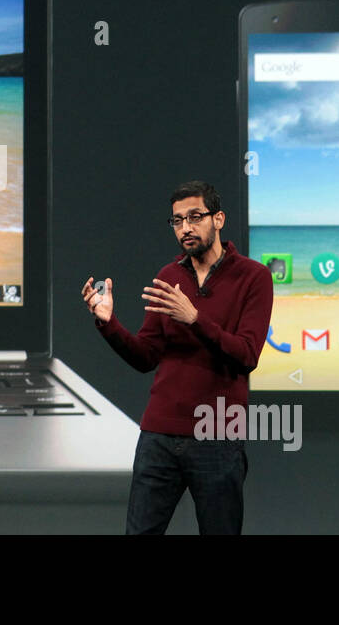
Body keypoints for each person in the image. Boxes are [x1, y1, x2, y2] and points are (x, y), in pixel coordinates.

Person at [81, 180, 273, 534]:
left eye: (194, 217)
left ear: (218, 219)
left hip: (217, 433)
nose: (185, 228)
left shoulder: (254, 277)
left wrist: (196, 319)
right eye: (177, 221)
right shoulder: (168, 277)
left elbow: (246, 354)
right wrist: (108, 324)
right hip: (159, 435)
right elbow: (146, 355)